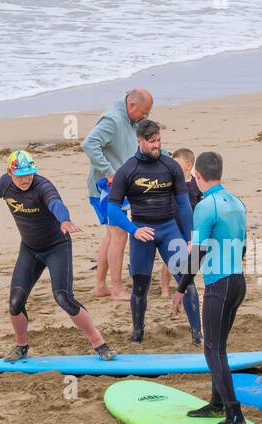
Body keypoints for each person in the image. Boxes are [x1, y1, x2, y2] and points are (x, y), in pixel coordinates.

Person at [0, 151, 117, 362]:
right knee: (15, 302)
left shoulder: (42, 186)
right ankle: (21, 346)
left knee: (63, 297)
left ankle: (99, 343)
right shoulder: (5, 183)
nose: (26, 179)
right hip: (29, 249)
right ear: (10, 173)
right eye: (21, 175)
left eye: (29, 174)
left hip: (57, 246)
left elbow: (56, 203)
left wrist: (64, 220)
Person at [171, 152, 249, 424]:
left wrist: (180, 289)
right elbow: (242, 247)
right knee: (220, 347)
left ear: (197, 176)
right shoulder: (238, 203)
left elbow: (197, 253)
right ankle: (217, 403)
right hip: (238, 282)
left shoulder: (205, 206)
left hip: (220, 285)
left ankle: (233, 415)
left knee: (212, 349)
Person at [105, 120, 202, 344]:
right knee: (140, 286)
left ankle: (198, 334)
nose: (156, 145)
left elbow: (184, 205)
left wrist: (189, 238)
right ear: (139, 141)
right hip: (142, 231)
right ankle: (137, 333)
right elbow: (112, 209)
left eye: (158, 140)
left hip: (169, 229)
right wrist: (133, 230)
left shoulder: (171, 167)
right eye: (151, 142)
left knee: (186, 281)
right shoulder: (127, 170)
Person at [82, 88, 154, 300]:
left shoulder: (131, 121)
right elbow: (89, 144)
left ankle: (100, 287)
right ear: (131, 106)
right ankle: (116, 289)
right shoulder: (113, 120)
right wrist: (110, 173)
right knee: (120, 235)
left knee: (112, 235)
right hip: (104, 189)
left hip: (119, 189)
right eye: (144, 112)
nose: (145, 117)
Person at [160, 148, 203, 298]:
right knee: (169, 260)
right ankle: (164, 288)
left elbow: (200, 204)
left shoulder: (196, 184)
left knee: (191, 258)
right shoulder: (169, 183)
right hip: (173, 226)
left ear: (189, 165)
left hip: (190, 228)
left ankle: (185, 284)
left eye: (177, 164)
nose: (173, 167)